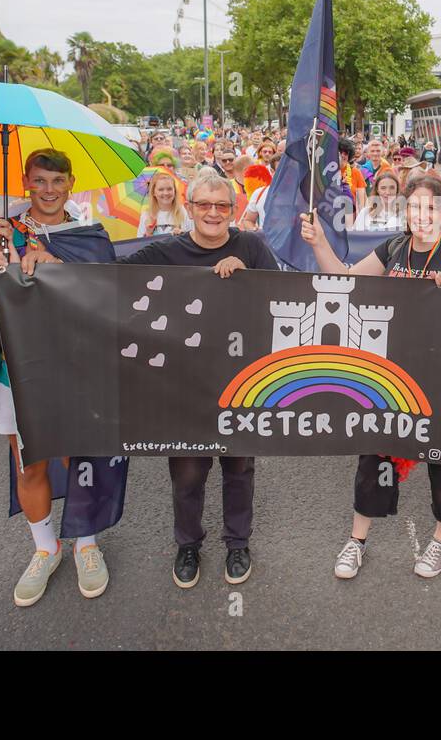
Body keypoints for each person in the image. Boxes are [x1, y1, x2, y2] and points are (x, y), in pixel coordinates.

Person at [0, 149, 118, 607]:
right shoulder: (1, 232)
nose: (48, 190)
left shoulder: (89, 236)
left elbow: (110, 301)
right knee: (30, 464)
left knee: (75, 458)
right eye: (40, 180)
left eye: (57, 180)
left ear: (70, 184)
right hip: (15, 370)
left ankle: (86, 544)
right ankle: (46, 548)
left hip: (77, 367)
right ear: (26, 182)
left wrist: (58, 266)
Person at [300, 175, 441, 580]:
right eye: (415, 207)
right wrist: (318, 243)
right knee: (374, 454)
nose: (421, 216)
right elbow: (346, 278)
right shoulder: (394, 248)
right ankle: (357, 540)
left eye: (431, 208)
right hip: (393, 376)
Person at [115, 173, 279, 587]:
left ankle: (238, 542)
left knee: (239, 466)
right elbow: (107, 275)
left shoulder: (252, 246)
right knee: (187, 471)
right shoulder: (167, 251)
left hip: (241, 381)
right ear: (188, 208)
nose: (212, 213)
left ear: (232, 210)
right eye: (203, 205)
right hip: (183, 386)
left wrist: (250, 277)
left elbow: (282, 298)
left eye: (221, 206)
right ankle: (188, 544)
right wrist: (46, 260)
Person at [137, 170, 191, 238]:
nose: (166, 193)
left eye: (169, 189)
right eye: (161, 190)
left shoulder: (184, 212)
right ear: (154, 192)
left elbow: (192, 239)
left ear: (175, 191)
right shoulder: (146, 215)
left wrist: (182, 235)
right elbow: (139, 245)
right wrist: (148, 233)